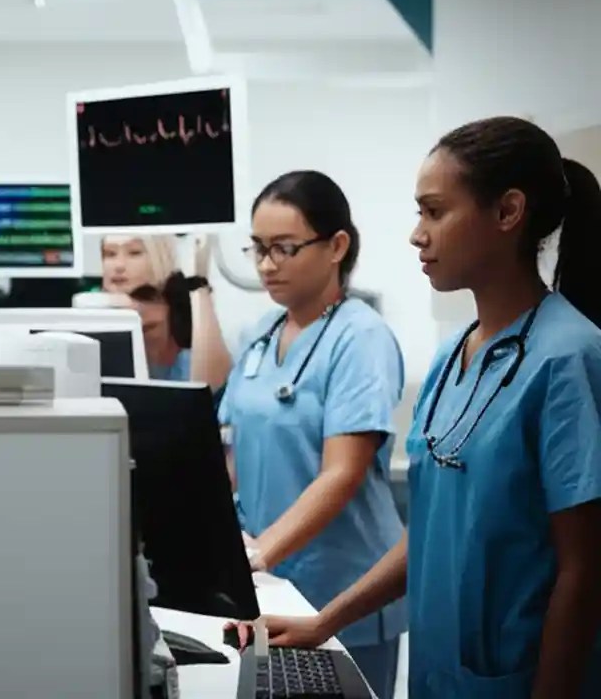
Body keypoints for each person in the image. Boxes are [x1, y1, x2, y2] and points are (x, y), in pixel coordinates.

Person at [246, 118, 601, 698]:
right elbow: (427, 533)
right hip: (440, 674)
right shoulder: (450, 359)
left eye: (434, 212)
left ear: (508, 212)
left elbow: (583, 569)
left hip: (518, 679)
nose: (417, 234)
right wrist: (326, 622)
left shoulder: (568, 358)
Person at [218, 170, 406, 698]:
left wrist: (259, 553)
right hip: (269, 583)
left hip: (343, 588)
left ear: (336, 246)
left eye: (284, 248)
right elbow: (237, 448)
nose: (266, 265)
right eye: (258, 248)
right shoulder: (261, 334)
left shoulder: (361, 338)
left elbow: (342, 472)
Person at [102, 234, 231, 387]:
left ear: (160, 256)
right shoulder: (94, 318)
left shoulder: (194, 326)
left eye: (134, 253)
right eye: (109, 254)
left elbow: (210, 390)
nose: (119, 265)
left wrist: (198, 283)